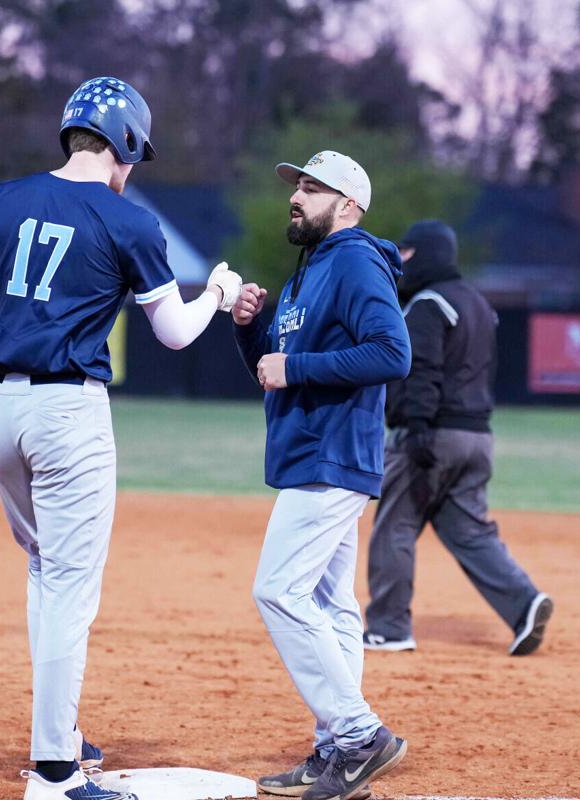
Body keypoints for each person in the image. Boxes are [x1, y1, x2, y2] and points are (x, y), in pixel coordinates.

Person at [0, 76, 242, 800]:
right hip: (68, 412)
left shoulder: (3, 198)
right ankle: (56, 774)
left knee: (44, 570)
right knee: (71, 587)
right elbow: (173, 332)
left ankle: (61, 740)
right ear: (125, 141)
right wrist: (219, 294)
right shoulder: (126, 219)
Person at [232, 150, 411, 800]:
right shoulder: (307, 273)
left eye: (312, 187)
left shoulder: (357, 259)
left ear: (349, 206)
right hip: (312, 453)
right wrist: (249, 331)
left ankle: (360, 734)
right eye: (297, 186)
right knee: (332, 607)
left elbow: (393, 352)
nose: (296, 196)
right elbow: (274, 368)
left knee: (277, 590)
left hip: (334, 456)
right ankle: (336, 751)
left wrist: (296, 369)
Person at [363, 219, 553, 657]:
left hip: (433, 434)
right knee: (469, 531)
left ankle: (389, 627)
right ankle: (525, 604)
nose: (402, 263)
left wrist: (417, 429)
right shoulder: (478, 304)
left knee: (396, 523)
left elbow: (423, 371)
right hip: (478, 437)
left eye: (408, 254)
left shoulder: (428, 303)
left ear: (428, 254)